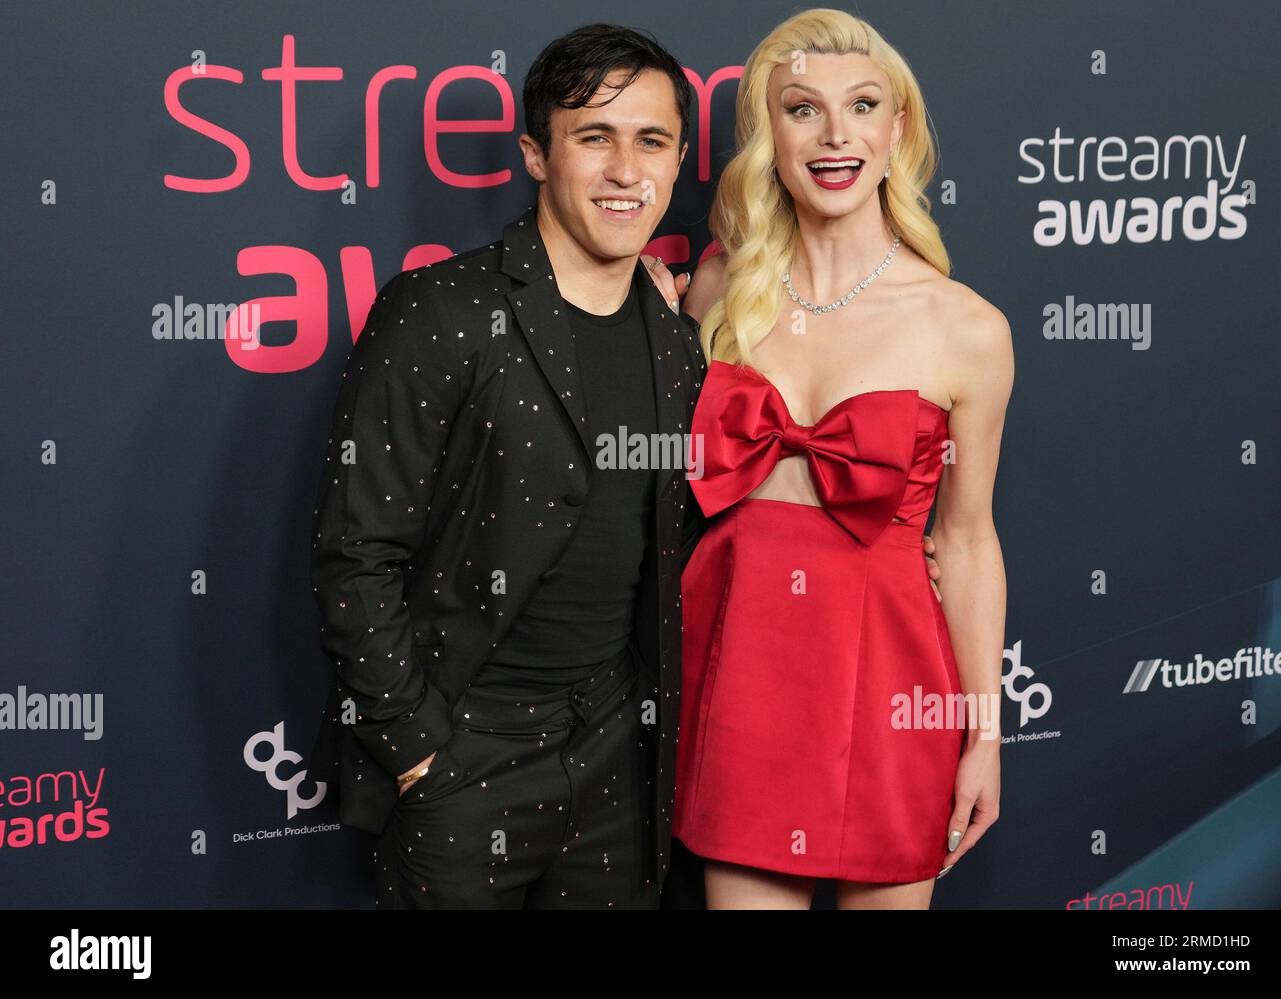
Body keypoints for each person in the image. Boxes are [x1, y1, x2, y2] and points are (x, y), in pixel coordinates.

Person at [306, 21, 945, 909]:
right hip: (464, 757)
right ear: (536, 154)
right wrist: (419, 754)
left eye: (651, 141)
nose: (624, 171)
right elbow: (355, 556)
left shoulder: (685, 337)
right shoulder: (441, 309)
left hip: (621, 764)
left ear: (683, 158)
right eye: (593, 137)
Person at [672, 9, 1012, 909]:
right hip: (742, 673)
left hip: (896, 686)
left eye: (863, 105)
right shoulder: (716, 292)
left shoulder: (966, 327)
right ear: (768, 134)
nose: (835, 136)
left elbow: (969, 541)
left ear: (897, 128)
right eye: (801, 109)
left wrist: (983, 734)